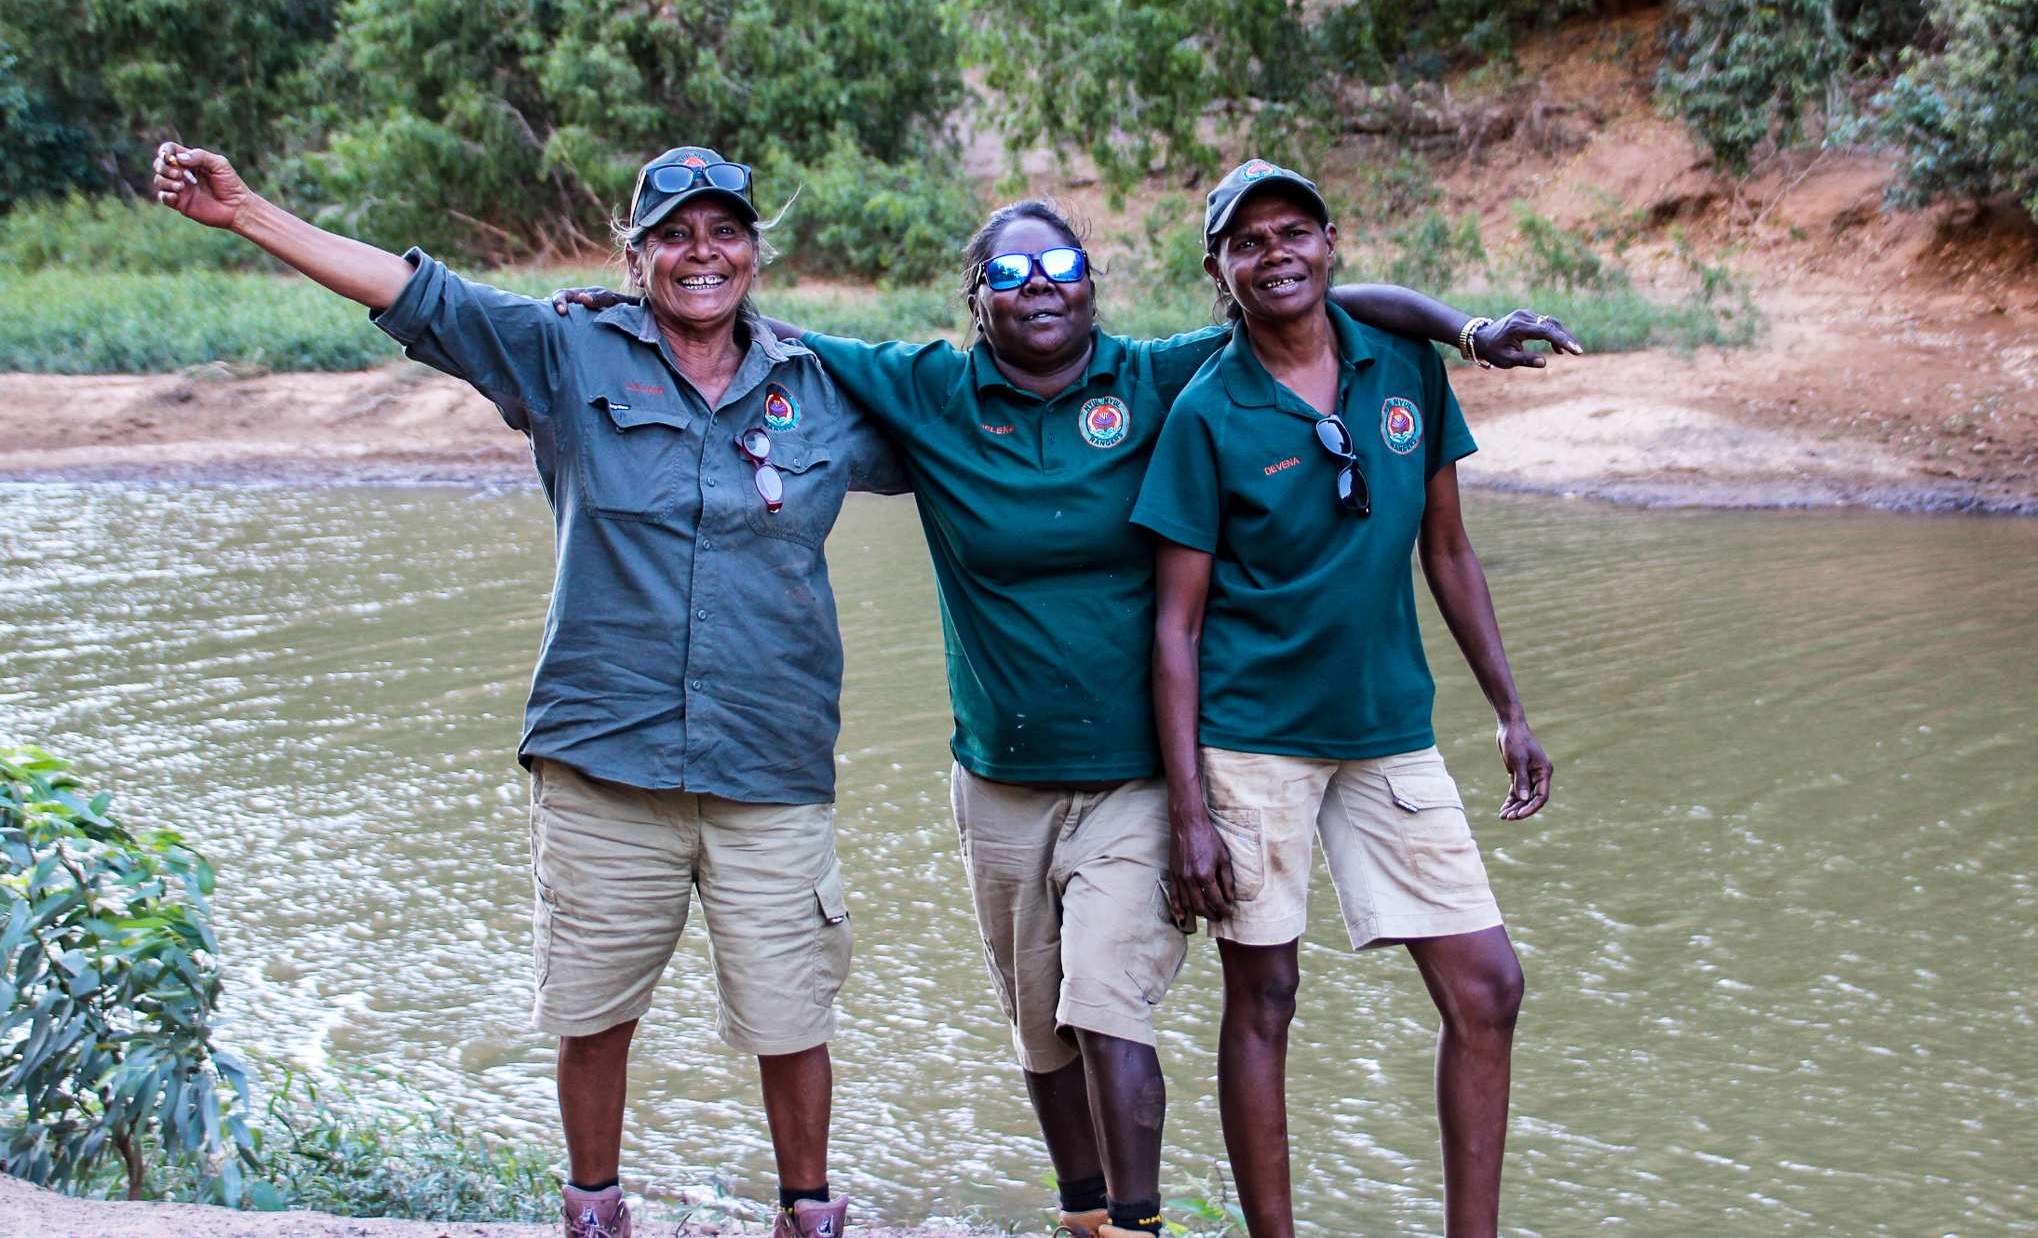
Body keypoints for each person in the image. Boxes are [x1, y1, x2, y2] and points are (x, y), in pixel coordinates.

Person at [558, 194, 1574, 1236]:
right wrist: (634, 310)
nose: (1035, 284)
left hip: (1138, 767)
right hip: (997, 771)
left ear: (1092, 281)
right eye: (1007, 272)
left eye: (1057, 263)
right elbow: (767, 334)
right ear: (974, 299)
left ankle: (1134, 1224)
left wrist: (1460, 328)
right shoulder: (931, 391)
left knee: (1105, 1002)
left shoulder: (1156, 378)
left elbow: (1294, 299)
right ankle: (1084, 1214)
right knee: (1041, 1026)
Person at [152, 140, 906, 1238]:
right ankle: (594, 1212)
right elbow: (419, 295)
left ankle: (808, 1216)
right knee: (593, 1014)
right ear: (636, 254)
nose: (703, 253)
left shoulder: (819, 384)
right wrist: (249, 212)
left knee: (793, 1019)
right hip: (605, 761)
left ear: (754, 247)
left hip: (769, 764)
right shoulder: (566, 354)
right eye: (674, 236)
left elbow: (973, 429)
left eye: (724, 230)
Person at [1135, 159, 1554, 1238]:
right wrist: (1188, 810)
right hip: (1252, 738)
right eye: (1247, 242)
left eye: (1294, 233)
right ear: (1219, 271)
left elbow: (1448, 550)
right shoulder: (1207, 411)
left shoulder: (1400, 366)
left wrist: (1508, 709)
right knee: (1263, 997)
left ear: (1331, 244)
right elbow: (1173, 625)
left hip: (1386, 732)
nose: (1275, 254)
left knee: (1485, 986)